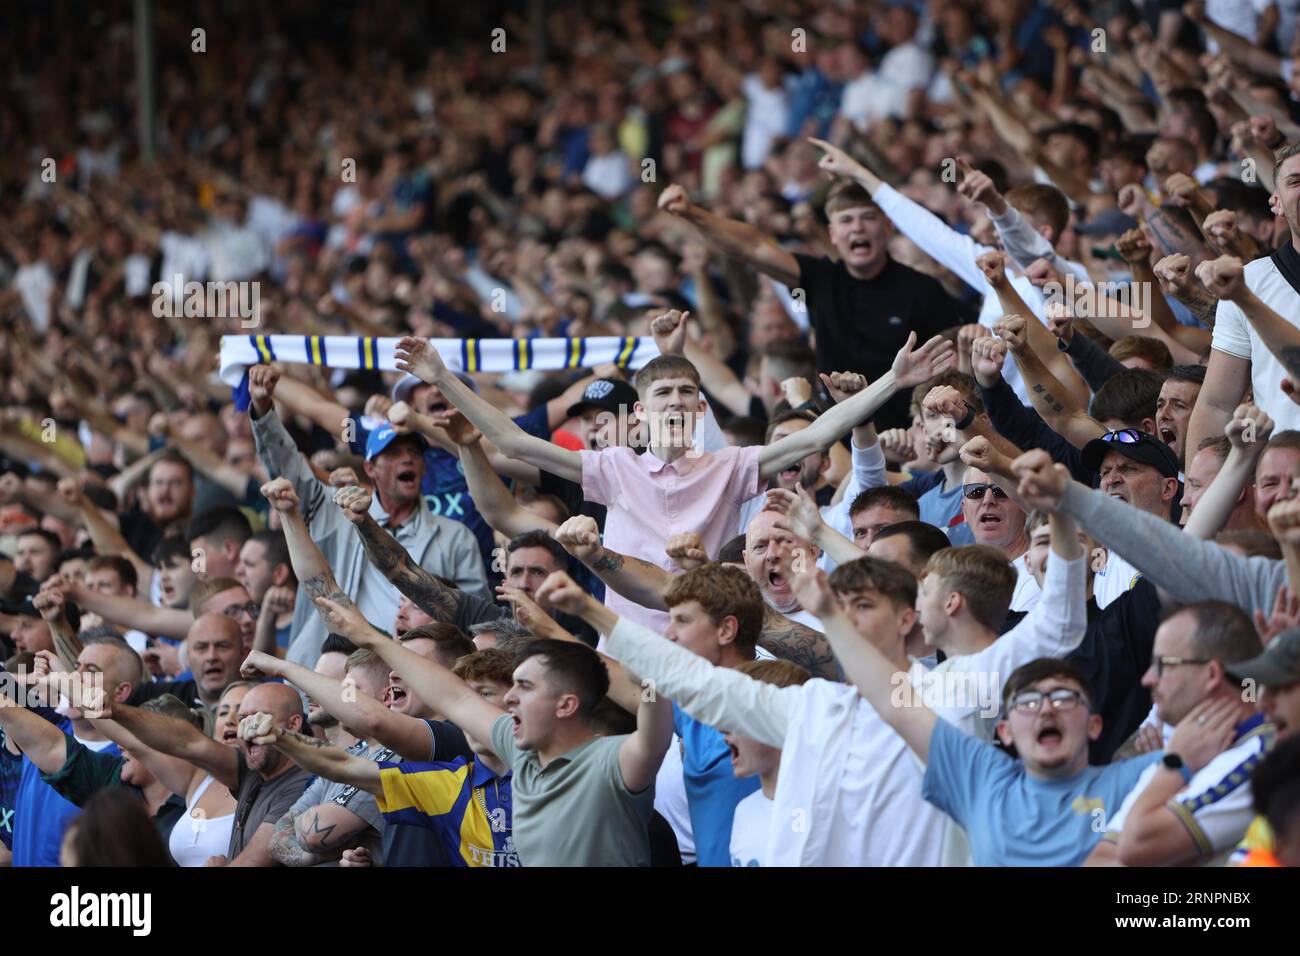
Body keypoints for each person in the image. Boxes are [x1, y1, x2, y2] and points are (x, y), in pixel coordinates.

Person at [393, 327, 953, 634]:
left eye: (687, 392)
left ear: (701, 407)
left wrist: (891, 381)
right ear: (638, 416)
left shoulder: (731, 466)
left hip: (711, 637)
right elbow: (514, 444)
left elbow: (811, 438)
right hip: (625, 642)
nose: (677, 400)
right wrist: (442, 376)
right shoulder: (613, 468)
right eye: (663, 394)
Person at [313, 593, 674, 866]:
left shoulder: (614, 760)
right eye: (512, 686)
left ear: (566, 704)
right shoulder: (519, 751)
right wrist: (371, 639)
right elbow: (454, 697)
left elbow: (653, 713)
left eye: (526, 687)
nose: (511, 698)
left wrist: (645, 673)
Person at [654, 181, 963, 429]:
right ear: (832, 233)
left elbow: (954, 365)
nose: (857, 228)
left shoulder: (923, 290)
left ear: (887, 227)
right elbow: (753, 246)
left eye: (868, 218)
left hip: (911, 437)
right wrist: (693, 213)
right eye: (846, 220)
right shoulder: (820, 278)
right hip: (840, 434)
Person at [246, 364, 489, 668]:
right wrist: (263, 408)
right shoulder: (334, 512)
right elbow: (288, 468)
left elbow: (474, 620)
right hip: (331, 669)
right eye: (394, 453)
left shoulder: (456, 536)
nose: (407, 459)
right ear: (371, 468)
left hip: (416, 677)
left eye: (414, 453)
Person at [242, 649, 518, 867]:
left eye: (482, 695)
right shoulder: (447, 781)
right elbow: (340, 766)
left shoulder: (548, 773)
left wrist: (283, 668)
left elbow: (372, 722)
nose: (396, 674)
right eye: (466, 697)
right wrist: (280, 736)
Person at [1086, 601, 1271, 866]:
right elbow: (1098, 860)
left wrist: (1174, 767)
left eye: (1163, 664)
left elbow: (1134, 846)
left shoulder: (1265, 754)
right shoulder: (1180, 749)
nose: (1147, 679)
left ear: (1211, 674)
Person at [100, 681, 312, 866]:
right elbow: (185, 740)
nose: (246, 728)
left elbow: (254, 860)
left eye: (259, 718)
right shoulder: (249, 769)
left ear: (293, 724)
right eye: (243, 719)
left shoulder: (304, 784)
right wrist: (112, 709)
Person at [723, 659, 811, 867]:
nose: (723, 729)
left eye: (738, 718)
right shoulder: (744, 810)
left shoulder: (822, 814)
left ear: (776, 723)